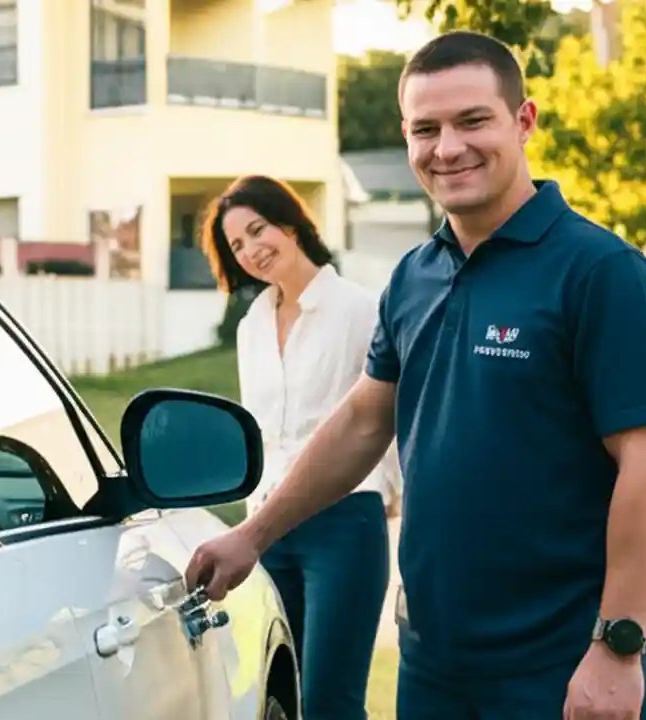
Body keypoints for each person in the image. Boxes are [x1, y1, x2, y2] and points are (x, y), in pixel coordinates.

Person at [186, 31, 646, 720]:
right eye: (426, 129)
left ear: (524, 120)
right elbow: (364, 420)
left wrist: (619, 646)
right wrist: (252, 535)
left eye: (472, 120)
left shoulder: (604, 275)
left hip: (560, 669)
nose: (447, 147)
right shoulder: (413, 278)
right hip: (434, 668)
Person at [198, 174, 402, 719]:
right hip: (268, 529)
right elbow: (261, 431)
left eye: (257, 230)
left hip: (345, 522)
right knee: (278, 696)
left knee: (332, 702)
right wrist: (249, 525)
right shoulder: (251, 327)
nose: (250, 250)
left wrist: (393, 490)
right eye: (236, 245)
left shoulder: (361, 309)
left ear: (290, 223)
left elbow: (389, 415)